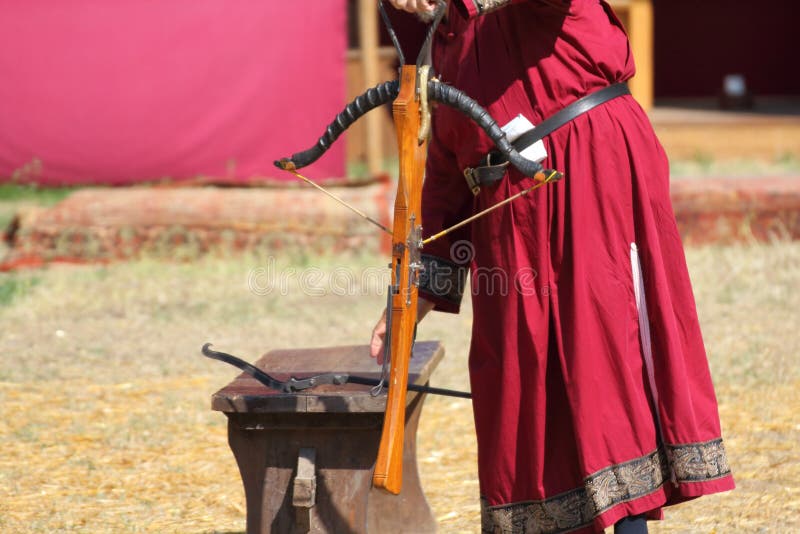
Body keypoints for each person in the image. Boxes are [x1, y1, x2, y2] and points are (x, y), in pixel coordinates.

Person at [370, 1, 735, 533]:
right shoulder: (444, 46)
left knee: (606, 365)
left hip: (587, 174)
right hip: (508, 221)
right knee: (523, 390)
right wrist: (413, 299)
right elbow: (448, 185)